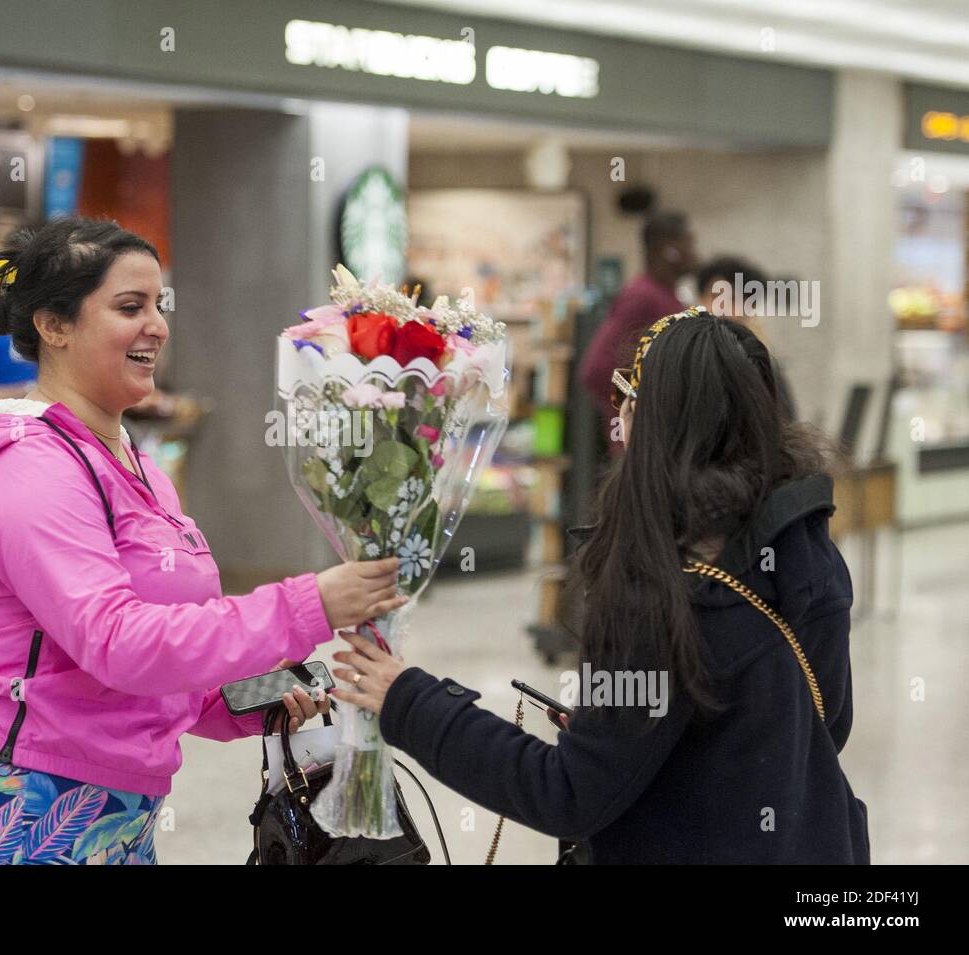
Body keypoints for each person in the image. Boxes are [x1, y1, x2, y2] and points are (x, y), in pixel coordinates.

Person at [0, 217, 406, 865]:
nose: (158, 326)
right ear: (54, 326)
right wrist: (308, 604)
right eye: (129, 306)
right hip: (12, 809)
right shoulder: (27, 469)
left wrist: (259, 695)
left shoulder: (128, 461)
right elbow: (117, 642)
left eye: (159, 305)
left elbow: (161, 666)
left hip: (110, 815)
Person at [332, 307, 870, 864]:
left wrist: (409, 701)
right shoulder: (803, 545)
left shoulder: (660, 592)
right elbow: (822, 723)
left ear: (649, 418)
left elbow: (565, 794)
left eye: (624, 398)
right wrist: (626, 732)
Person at [578, 210, 697, 426]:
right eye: (688, 243)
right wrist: (643, 408)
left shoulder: (667, 296)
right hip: (640, 445)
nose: (696, 253)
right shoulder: (642, 297)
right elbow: (595, 370)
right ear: (669, 250)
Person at [696, 255, 797, 420]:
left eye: (733, 300)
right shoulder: (680, 357)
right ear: (699, 299)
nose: (722, 308)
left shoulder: (763, 370)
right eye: (716, 297)